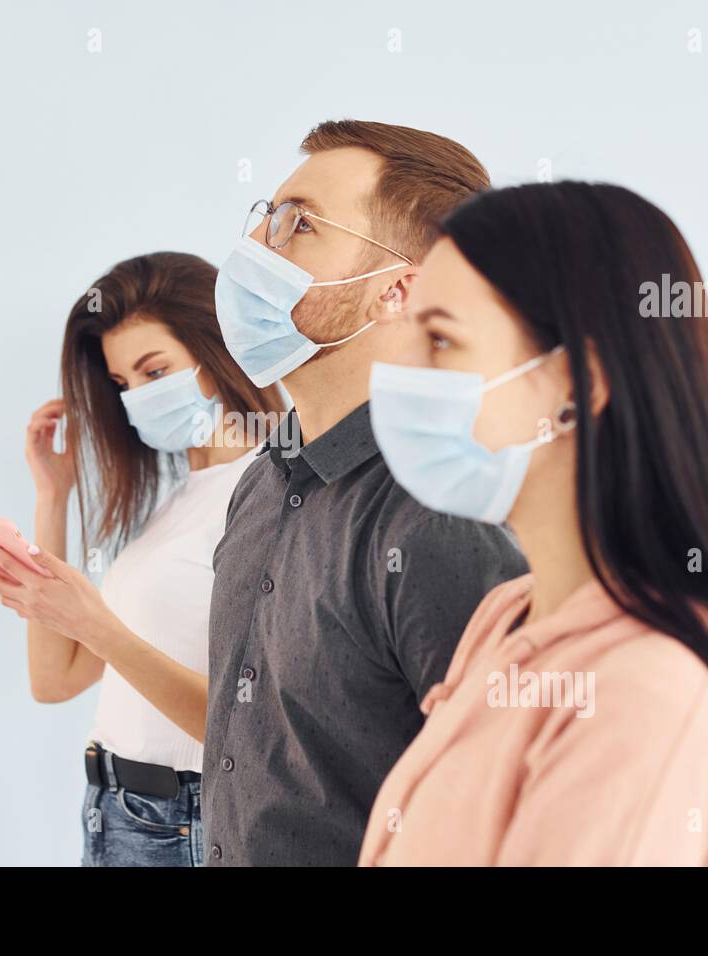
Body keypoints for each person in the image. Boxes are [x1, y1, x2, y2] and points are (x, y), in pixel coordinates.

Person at [359, 181, 708, 865]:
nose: (398, 373)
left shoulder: (642, 695)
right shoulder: (507, 617)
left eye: (441, 339)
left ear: (576, 384)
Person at [201, 120, 529, 866]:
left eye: (299, 226)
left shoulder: (442, 519)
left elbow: (509, 812)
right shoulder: (262, 480)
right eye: (265, 217)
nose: (256, 248)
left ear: (400, 289)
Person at [0, 251, 285, 867]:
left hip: (185, 822)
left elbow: (246, 729)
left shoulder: (268, 490)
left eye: (155, 370)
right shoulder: (176, 506)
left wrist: (97, 623)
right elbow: (54, 680)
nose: (138, 397)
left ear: (217, 349)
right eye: (122, 384)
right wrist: (53, 498)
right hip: (115, 811)